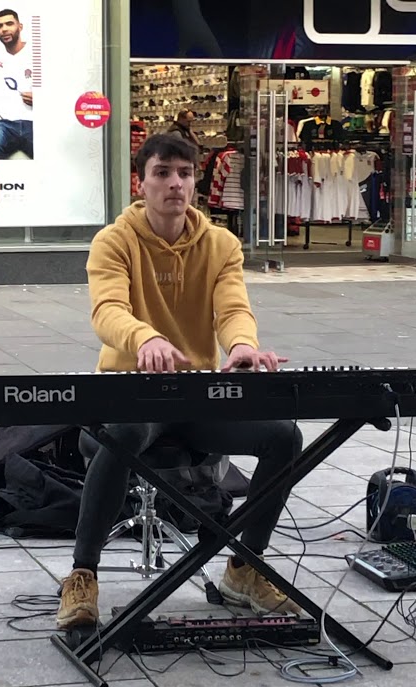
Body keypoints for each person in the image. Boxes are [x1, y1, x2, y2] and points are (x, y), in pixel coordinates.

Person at [56, 133, 304, 629]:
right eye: (163, 173)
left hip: (194, 394)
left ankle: (244, 567)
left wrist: (241, 349)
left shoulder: (220, 244)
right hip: (131, 390)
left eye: (185, 174)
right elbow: (107, 311)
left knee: (285, 434)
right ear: (140, 182)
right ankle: (83, 574)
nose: (175, 184)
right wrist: (143, 338)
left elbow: (233, 309)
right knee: (122, 433)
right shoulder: (114, 241)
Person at [0, 9, 33, 159]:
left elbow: (61, 87)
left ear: (20, 26)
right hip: (5, 124)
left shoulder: (37, 52)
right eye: (0, 26)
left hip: (36, 123)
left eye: (9, 24)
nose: (4, 29)